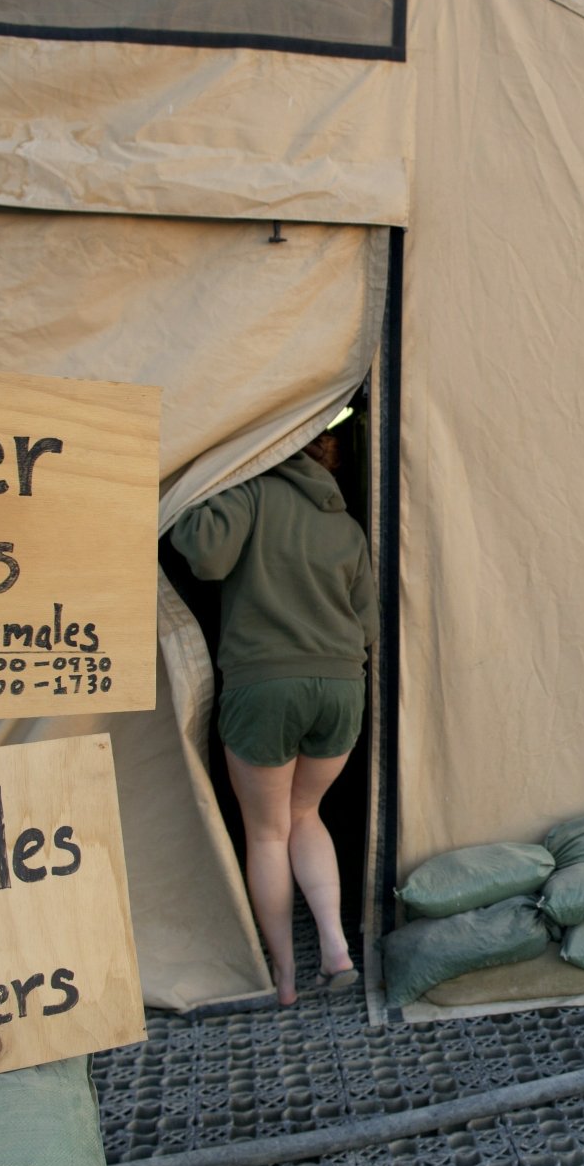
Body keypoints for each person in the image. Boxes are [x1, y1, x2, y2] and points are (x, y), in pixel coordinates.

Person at [170, 429, 377, 1004]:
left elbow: (207, 558)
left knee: (267, 832)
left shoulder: (250, 493)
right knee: (306, 814)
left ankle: (283, 978)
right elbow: (369, 626)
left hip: (265, 685)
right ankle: (335, 948)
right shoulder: (345, 524)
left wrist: (194, 498)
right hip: (341, 686)